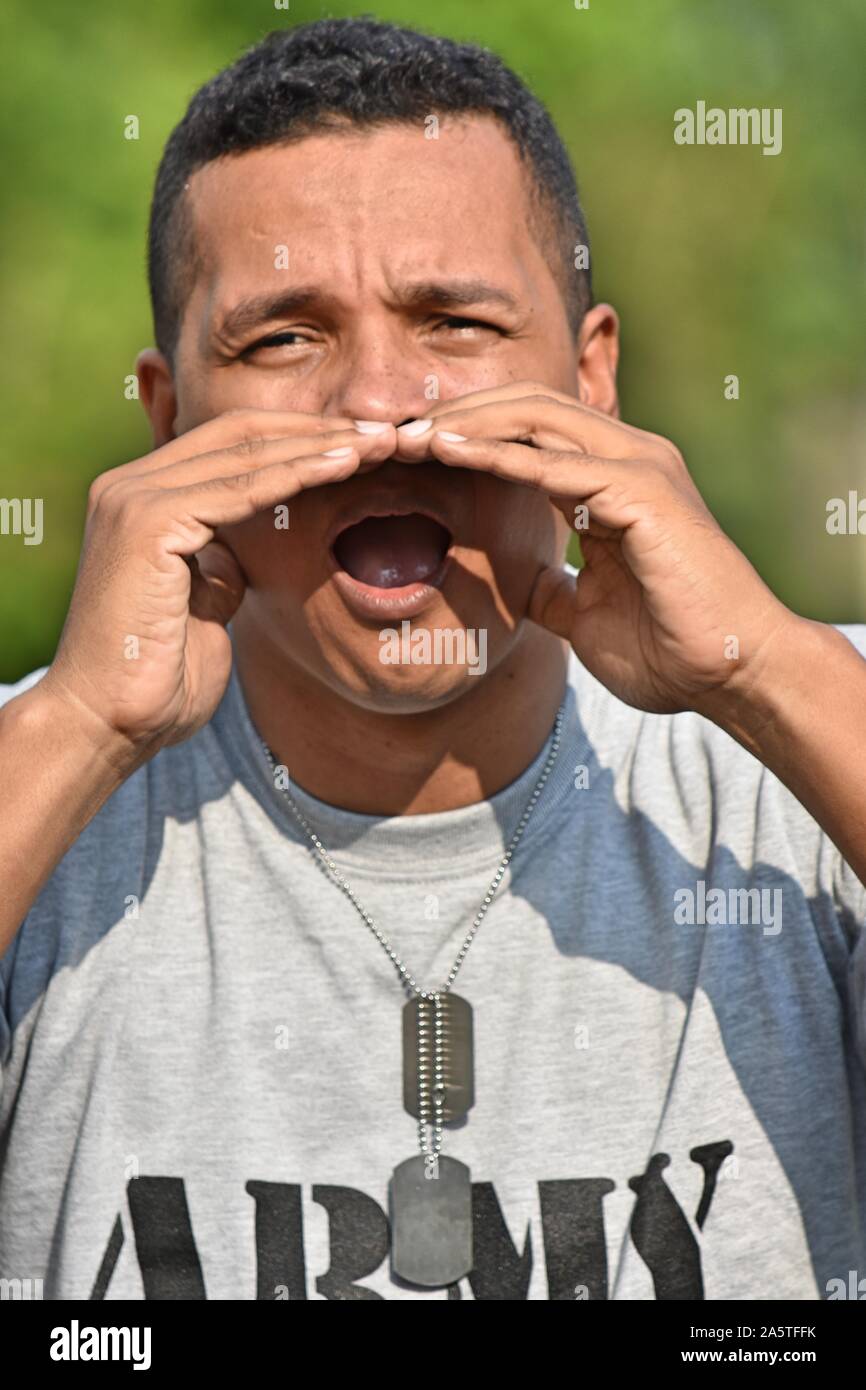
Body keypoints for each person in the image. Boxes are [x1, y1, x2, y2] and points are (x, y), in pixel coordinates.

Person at [1, 17, 864, 1303]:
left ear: (590, 380)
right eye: (283, 338)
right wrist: (78, 728)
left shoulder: (797, 747)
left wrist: (758, 675)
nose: (380, 411)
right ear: (167, 419)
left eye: (454, 323)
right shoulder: (42, 777)